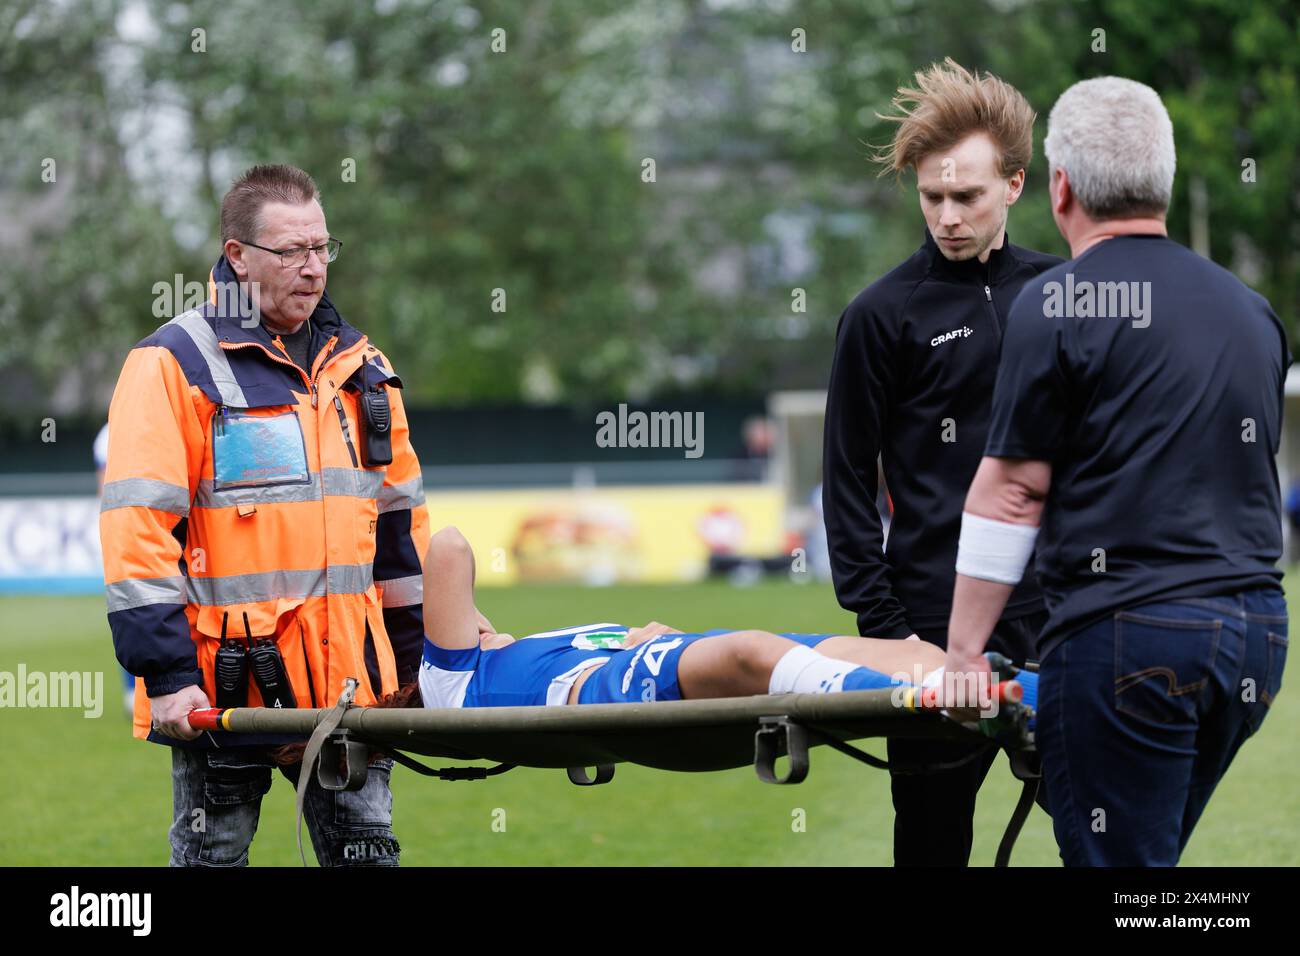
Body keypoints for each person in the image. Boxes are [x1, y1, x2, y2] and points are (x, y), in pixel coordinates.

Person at [943, 77, 1289, 866]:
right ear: (1160, 180)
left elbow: (1016, 488)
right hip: (1256, 633)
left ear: (1058, 187)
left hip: (1131, 634)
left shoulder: (1056, 302)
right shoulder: (1251, 308)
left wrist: (963, 656)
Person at [99, 164, 432, 867]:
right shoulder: (172, 363)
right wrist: (163, 675)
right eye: (290, 252)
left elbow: (402, 535)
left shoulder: (365, 367)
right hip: (223, 692)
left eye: (322, 248)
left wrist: (421, 663)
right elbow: (138, 530)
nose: (313, 268)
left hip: (354, 691)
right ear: (237, 256)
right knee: (211, 862)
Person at [821, 58, 1062, 865]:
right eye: (933, 198)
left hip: (1065, 622)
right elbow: (847, 485)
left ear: (1017, 185)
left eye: (968, 196)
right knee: (930, 848)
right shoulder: (880, 315)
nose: (949, 216)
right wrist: (889, 632)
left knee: (1102, 840)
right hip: (930, 628)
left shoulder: (1067, 293)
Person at [414, 526, 1038, 720]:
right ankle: (930, 704)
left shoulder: (522, 647)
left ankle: (1039, 695)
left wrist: (642, 636)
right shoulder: (452, 680)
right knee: (751, 652)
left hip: (648, 661)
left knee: (907, 651)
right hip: (606, 690)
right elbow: (448, 547)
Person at [93, 421, 136, 718]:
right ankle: (132, 690)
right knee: (129, 609)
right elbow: (104, 487)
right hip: (125, 531)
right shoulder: (107, 435)